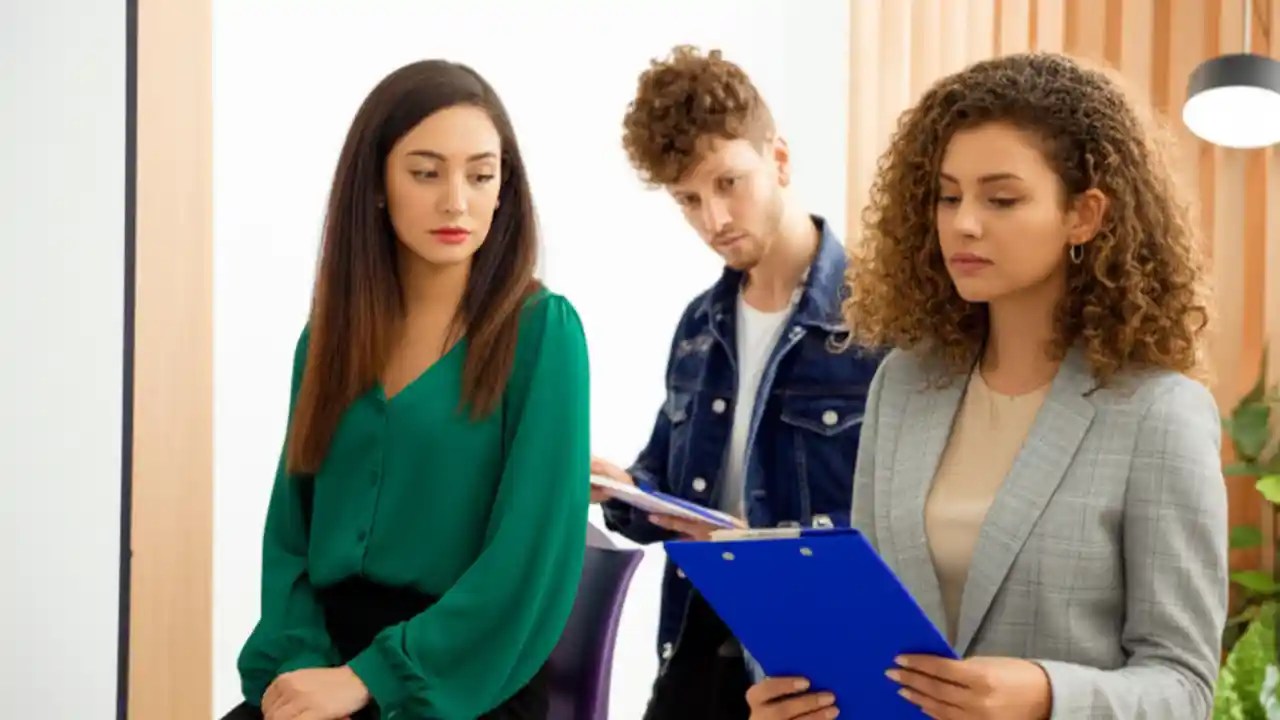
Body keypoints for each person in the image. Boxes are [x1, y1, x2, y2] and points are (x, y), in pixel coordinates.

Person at [746, 51, 1229, 720]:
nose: (963, 222)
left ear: (1084, 215)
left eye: (1001, 198)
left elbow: (1183, 687)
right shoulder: (904, 386)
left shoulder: (1161, 413)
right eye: (948, 196)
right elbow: (870, 626)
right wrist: (811, 697)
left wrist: (1046, 695)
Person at [221, 59, 591, 720]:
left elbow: (525, 565)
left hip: (466, 677)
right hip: (328, 659)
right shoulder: (326, 341)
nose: (457, 201)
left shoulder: (543, 336)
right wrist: (303, 661)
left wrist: (372, 678)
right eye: (426, 173)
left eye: (482, 175)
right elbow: (290, 540)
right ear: (377, 186)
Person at [589, 45, 883, 720]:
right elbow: (667, 480)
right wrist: (623, 490)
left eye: (728, 183)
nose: (712, 220)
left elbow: (903, 518)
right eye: (688, 199)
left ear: (777, 159)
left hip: (809, 657)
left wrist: (765, 543)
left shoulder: (877, 318)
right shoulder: (700, 326)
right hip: (698, 641)